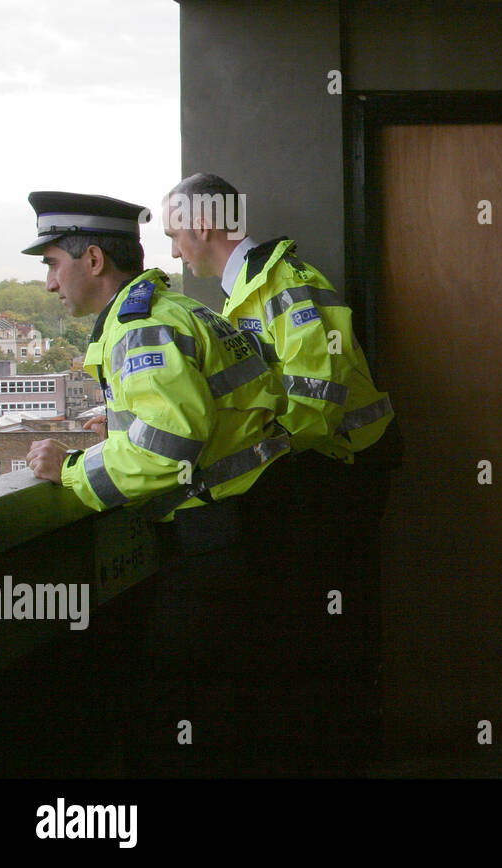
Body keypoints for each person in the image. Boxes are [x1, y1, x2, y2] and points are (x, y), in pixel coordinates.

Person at [22, 190, 291, 777]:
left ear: (93, 261)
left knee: (180, 700)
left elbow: (169, 451)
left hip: (217, 537)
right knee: (235, 701)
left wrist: (69, 469)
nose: (47, 283)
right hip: (258, 517)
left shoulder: (139, 329)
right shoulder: (178, 310)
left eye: (51, 263)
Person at [163, 172, 397, 775]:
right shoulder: (247, 289)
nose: (172, 251)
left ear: (202, 225)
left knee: (333, 616)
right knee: (318, 617)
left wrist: (260, 454)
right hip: (325, 466)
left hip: (346, 466)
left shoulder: (282, 283)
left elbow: (315, 395)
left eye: (174, 233)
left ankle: (345, 753)